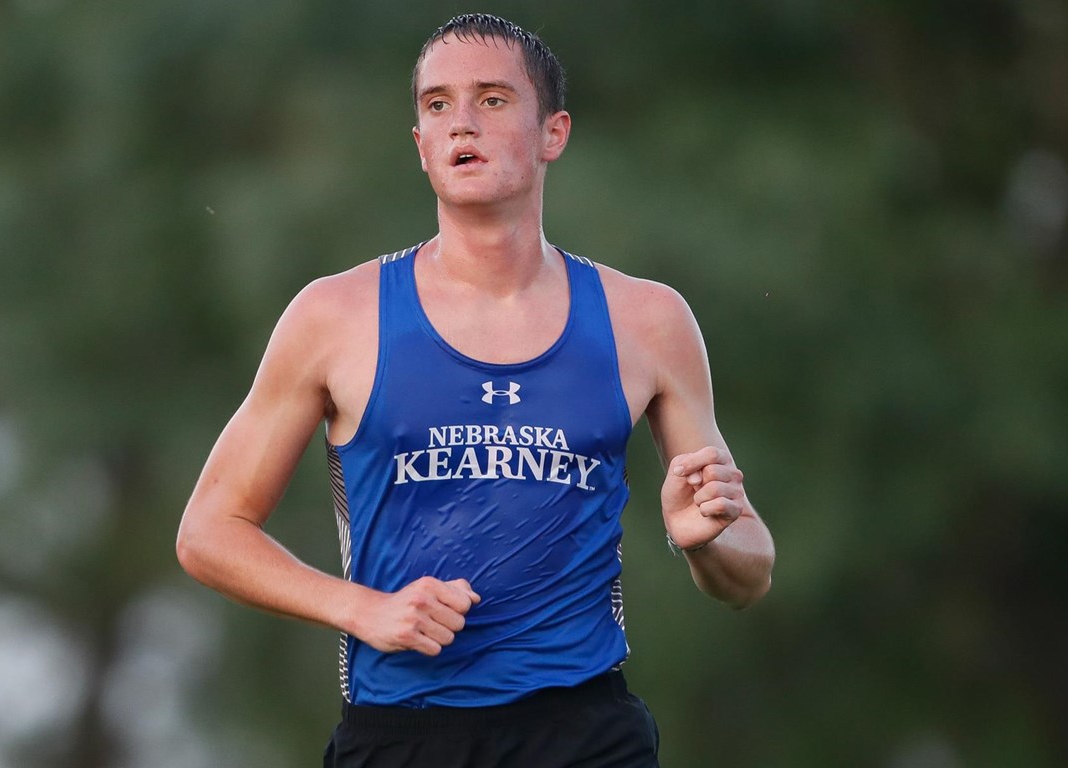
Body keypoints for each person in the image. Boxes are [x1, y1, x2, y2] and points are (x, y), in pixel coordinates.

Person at [177, 12, 775, 768]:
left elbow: (748, 574)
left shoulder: (647, 320)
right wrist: (361, 608)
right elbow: (208, 531)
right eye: (437, 105)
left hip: (585, 733)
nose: (462, 122)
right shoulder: (335, 315)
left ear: (552, 132)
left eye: (492, 100)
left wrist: (709, 540)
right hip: (401, 731)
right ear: (420, 144)